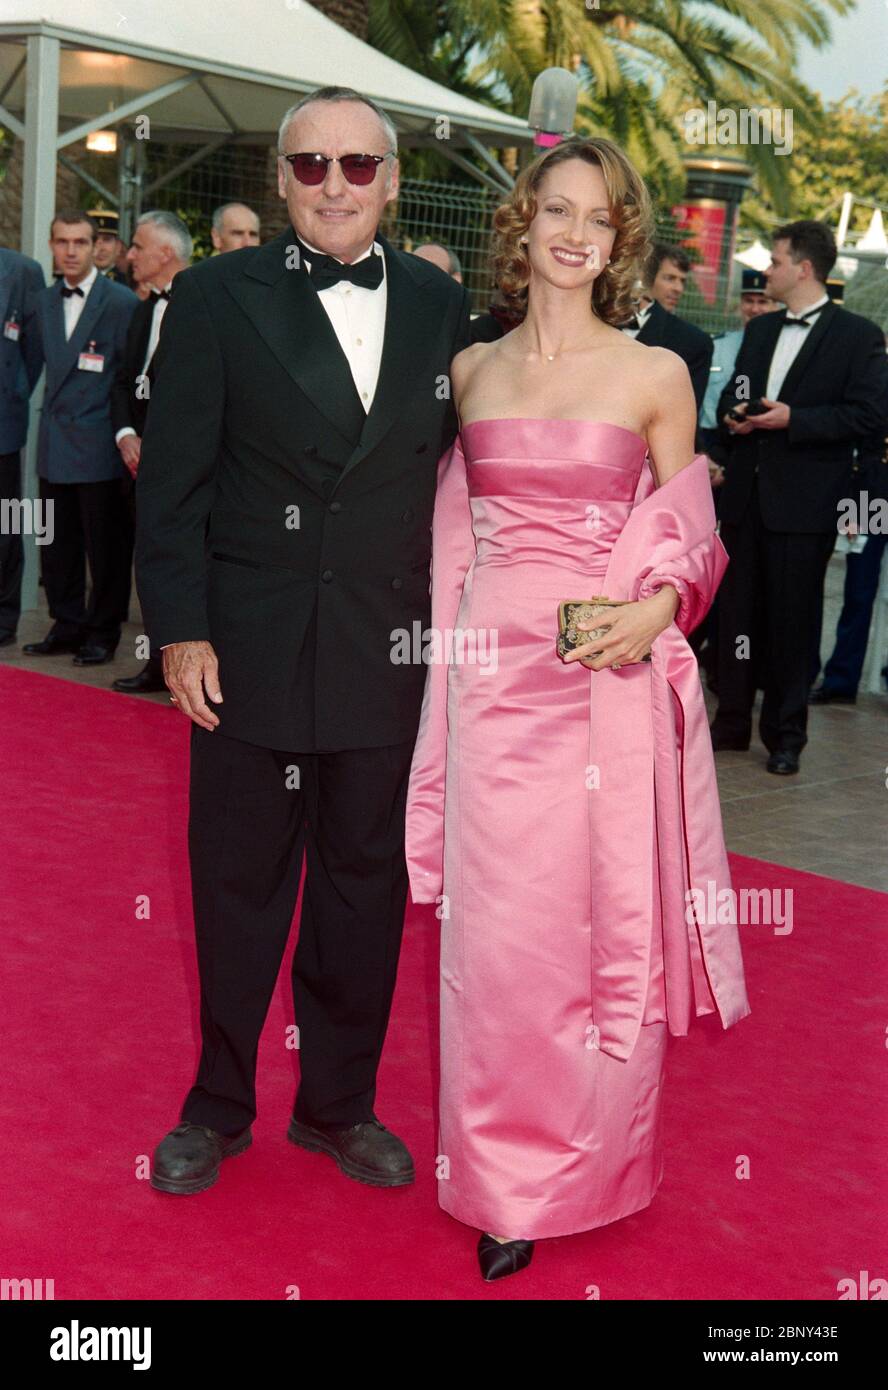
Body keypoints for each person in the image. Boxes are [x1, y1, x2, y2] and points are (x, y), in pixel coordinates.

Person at [404, 136, 750, 1281]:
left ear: (619, 242)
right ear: (524, 224)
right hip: (490, 694)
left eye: (597, 220)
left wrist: (657, 613)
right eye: (558, 209)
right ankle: (502, 1183)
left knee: (593, 933)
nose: (575, 233)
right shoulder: (472, 370)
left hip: (600, 687)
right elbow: (453, 535)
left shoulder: (654, 375)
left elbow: (690, 539)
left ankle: (587, 1166)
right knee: (497, 947)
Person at [135, 86, 472, 1197]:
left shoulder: (436, 305)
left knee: (361, 890)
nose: (336, 185)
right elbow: (172, 490)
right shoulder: (219, 297)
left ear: (391, 178)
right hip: (250, 649)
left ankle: (338, 1104)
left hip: (383, 653)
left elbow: (487, 469)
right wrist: (179, 630)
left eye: (360, 166)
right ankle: (218, 1105)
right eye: (313, 164)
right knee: (236, 887)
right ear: (281, 180)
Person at [711, 220, 888, 773]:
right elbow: (737, 393)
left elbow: (870, 415)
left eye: (776, 261)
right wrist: (734, 418)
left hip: (805, 503)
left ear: (804, 269)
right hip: (745, 496)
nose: (768, 272)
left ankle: (787, 735)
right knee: (734, 615)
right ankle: (731, 721)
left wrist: (795, 420)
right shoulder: (760, 331)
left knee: (794, 620)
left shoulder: (859, 337)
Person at [22, 210, 138, 665]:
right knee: (58, 544)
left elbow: (126, 378)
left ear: (96, 247)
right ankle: (66, 623)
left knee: (105, 549)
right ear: (52, 246)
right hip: (53, 443)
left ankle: (102, 632)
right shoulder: (41, 302)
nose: (70, 251)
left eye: (80, 242)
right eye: (62, 242)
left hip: (99, 445)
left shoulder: (121, 302)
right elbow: (34, 367)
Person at [111, 211, 193, 694]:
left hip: (185, 464)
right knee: (150, 560)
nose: (130, 255)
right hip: (138, 459)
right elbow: (123, 379)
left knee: (182, 560)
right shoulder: (143, 309)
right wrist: (125, 434)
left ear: (165, 253)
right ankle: (155, 662)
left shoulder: (207, 305)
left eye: (139, 247)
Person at [0, 246, 45, 646]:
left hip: (2, 423)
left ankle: (3, 616)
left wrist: (12, 397)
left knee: (6, 523)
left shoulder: (21, 272)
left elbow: (35, 350)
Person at [621, 241, 713, 410]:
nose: (678, 288)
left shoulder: (694, 342)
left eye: (682, 281)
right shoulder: (598, 321)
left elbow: (684, 412)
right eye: (670, 278)